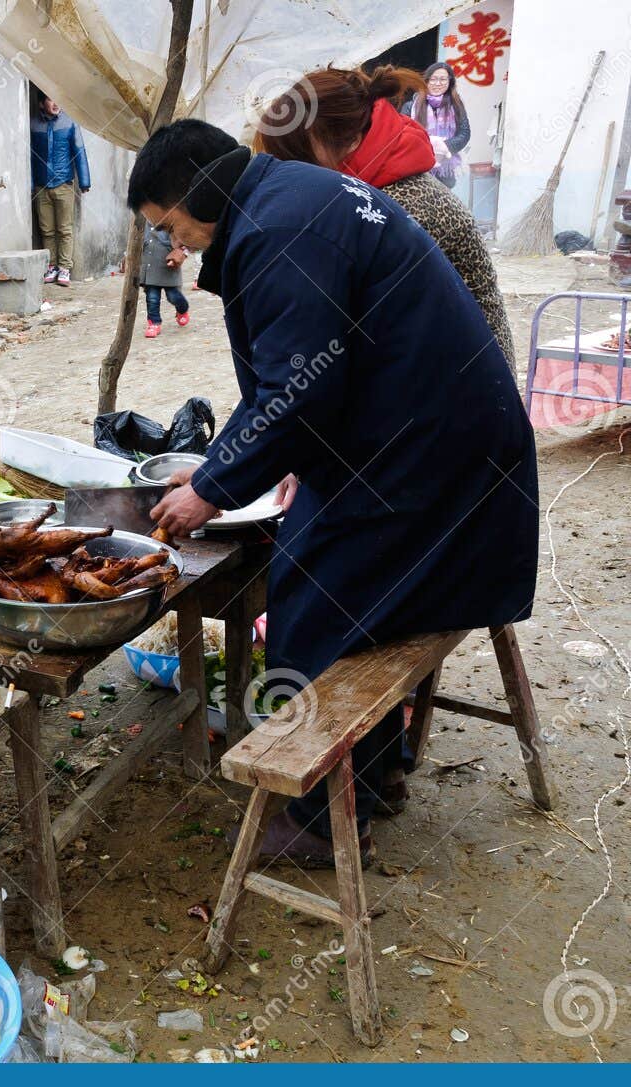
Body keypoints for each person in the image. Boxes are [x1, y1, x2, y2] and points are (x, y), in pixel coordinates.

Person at [134, 120, 537, 866]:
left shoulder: (278, 229)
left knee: (313, 602)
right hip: (425, 428)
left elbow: (296, 392)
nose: (174, 246)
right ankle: (373, 777)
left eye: (170, 225)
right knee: (348, 594)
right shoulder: (284, 198)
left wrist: (213, 491)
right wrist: (224, 460)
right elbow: (305, 375)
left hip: (430, 449)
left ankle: (316, 818)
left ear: (194, 192)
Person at [256, 65, 513, 370]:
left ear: (339, 140)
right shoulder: (371, 186)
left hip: (467, 379)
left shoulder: (398, 205)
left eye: (296, 157)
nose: (292, 172)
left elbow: (355, 321)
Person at [30, 90, 89, 288]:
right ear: (41, 104)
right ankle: (52, 265)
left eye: (59, 99)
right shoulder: (33, 125)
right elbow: (28, 157)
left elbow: (80, 151)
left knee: (65, 229)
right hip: (41, 185)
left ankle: (65, 267)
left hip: (64, 183)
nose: (56, 104)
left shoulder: (70, 123)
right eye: (51, 99)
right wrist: (31, 184)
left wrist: (84, 181)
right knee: (47, 230)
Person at [402, 62, 469, 189]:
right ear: (426, 81)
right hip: (418, 170)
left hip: (446, 171)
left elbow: (465, 133)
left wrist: (443, 147)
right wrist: (428, 145)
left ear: (450, 82)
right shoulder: (410, 107)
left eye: (443, 79)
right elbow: (402, 135)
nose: (437, 84)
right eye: (433, 79)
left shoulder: (456, 105)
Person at [138, 222, 189, 338]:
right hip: (150, 269)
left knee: (173, 296)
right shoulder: (143, 224)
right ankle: (154, 323)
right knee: (152, 299)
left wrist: (178, 256)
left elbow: (185, 246)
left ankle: (182, 309)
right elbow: (135, 244)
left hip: (168, 268)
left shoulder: (171, 222)